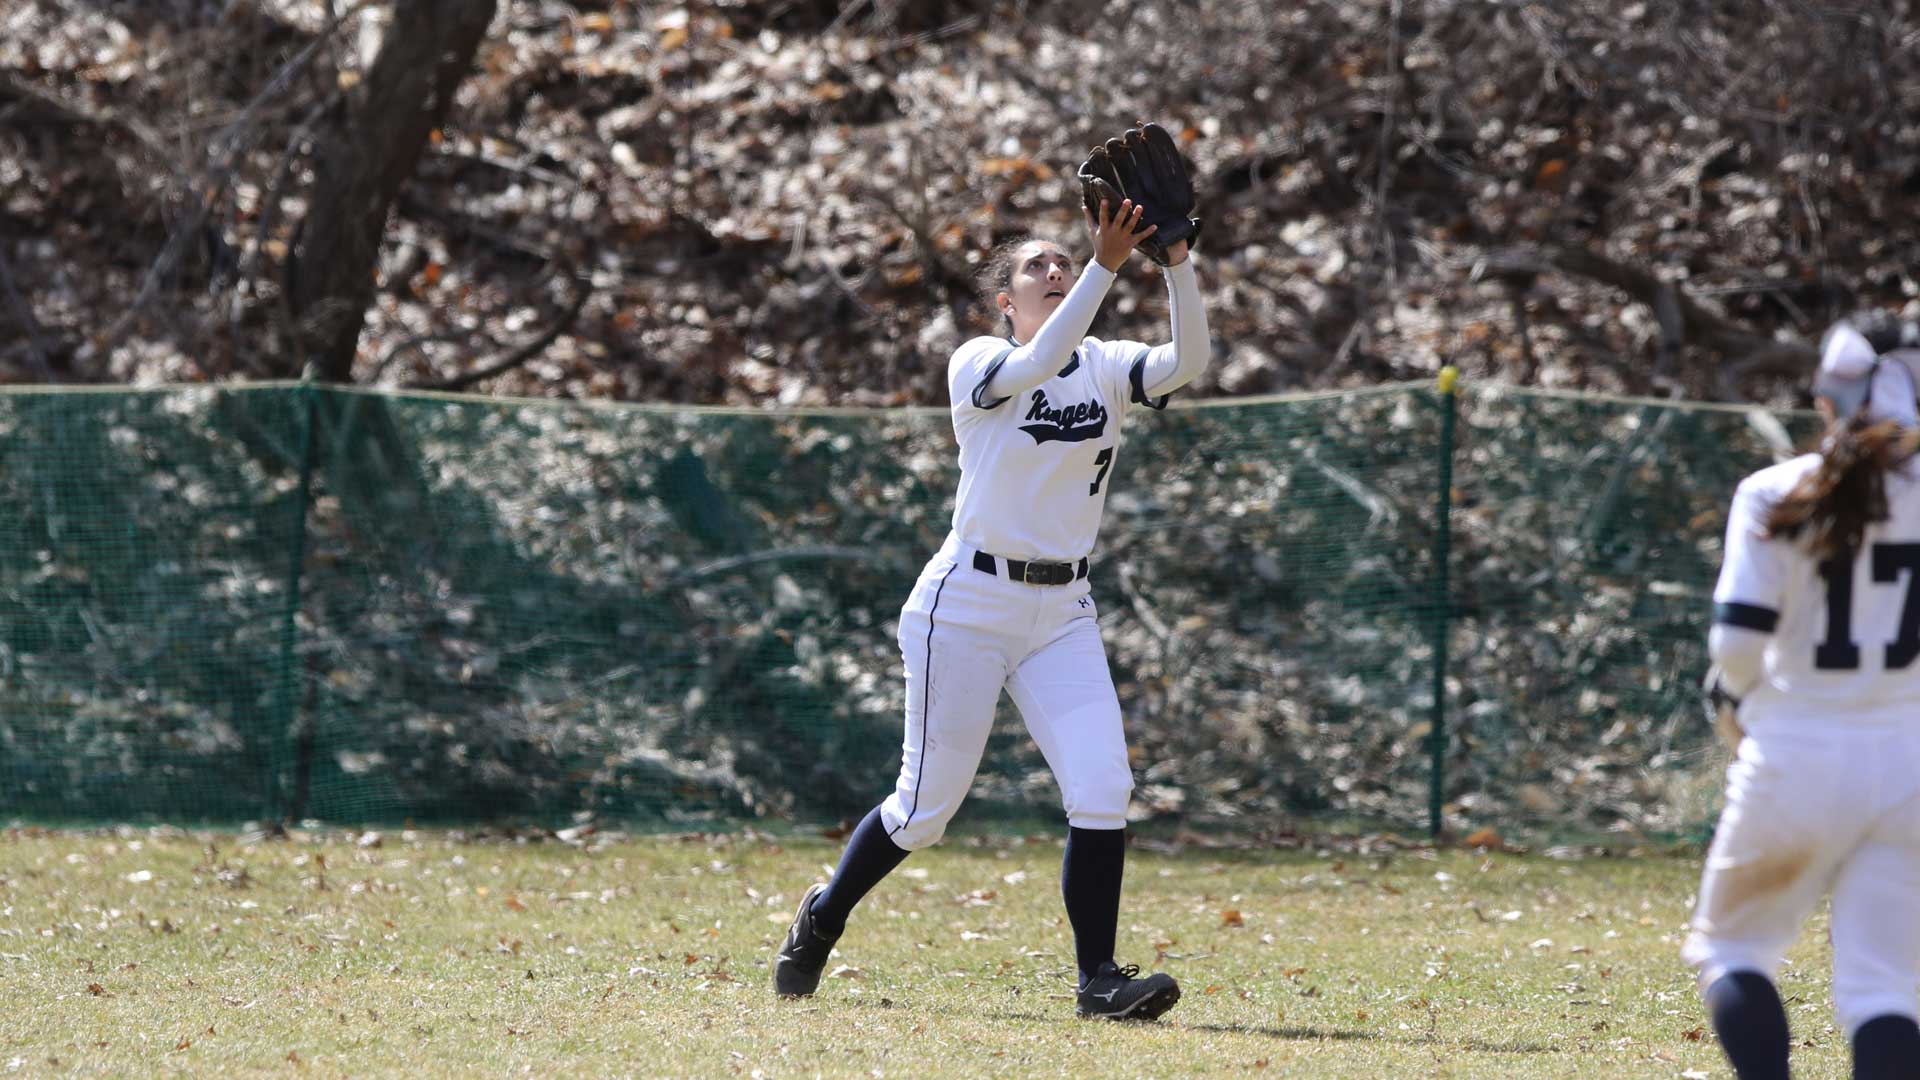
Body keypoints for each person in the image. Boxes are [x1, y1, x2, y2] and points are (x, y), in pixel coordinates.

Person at [772, 194, 1210, 1020]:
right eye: (1036, 266)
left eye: (1061, 259)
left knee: (1102, 786)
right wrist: (1104, 265)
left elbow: (1188, 362)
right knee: (924, 811)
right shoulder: (977, 361)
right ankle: (823, 917)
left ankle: (1098, 982)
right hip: (964, 605)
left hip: (1063, 611)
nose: (1055, 269)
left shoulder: (1108, 364)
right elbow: (1040, 362)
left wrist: (1178, 265)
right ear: (1005, 302)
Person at [1687, 313, 1920, 1080]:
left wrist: (1738, 699)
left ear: (1829, 398)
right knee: (1885, 990)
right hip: (1913, 758)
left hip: (1799, 749)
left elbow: (1736, 647)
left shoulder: (1774, 491)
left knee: (1733, 948)